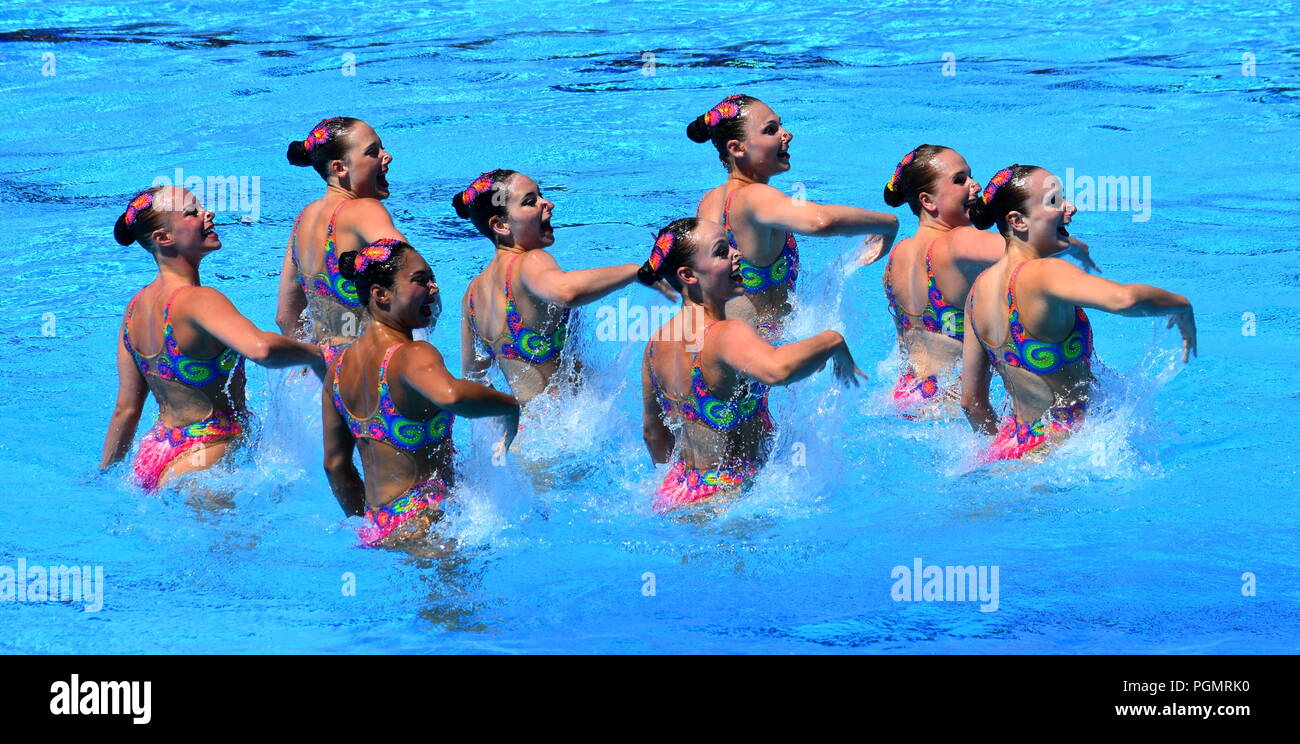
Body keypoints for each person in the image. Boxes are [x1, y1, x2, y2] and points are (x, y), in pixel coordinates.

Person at [960, 165, 1196, 461]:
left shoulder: (977, 290)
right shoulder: (1044, 272)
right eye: (1054, 201)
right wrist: (1181, 306)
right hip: (1064, 452)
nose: (1070, 208)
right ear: (1018, 220)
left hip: (1012, 448)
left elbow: (971, 403)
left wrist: (1013, 456)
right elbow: (1124, 300)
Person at [101, 187, 325, 492]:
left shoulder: (135, 307)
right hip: (207, 454)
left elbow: (126, 409)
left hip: (155, 453)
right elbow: (261, 349)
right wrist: (316, 354)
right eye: (192, 213)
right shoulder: (199, 300)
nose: (209, 214)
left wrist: (103, 475)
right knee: (235, 542)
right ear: (163, 238)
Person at [640, 217, 868, 512]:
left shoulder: (656, 344)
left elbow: (653, 433)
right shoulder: (726, 333)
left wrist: (686, 487)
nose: (737, 254)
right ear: (688, 275)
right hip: (732, 499)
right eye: (722, 252)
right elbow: (778, 369)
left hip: (678, 496)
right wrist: (832, 340)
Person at [322, 238, 520, 548]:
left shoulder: (337, 368)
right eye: (420, 280)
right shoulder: (413, 354)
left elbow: (335, 466)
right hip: (428, 522)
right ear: (380, 294)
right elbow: (453, 395)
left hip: (380, 527)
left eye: (432, 278)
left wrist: (375, 526)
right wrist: (510, 406)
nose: (434, 288)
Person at [879, 145, 1101, 416]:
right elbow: (1032, 250)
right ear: (928, 201)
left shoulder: (898, 255)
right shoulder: (959, 243)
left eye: (970, 176)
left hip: (904, 398)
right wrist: (1057, 223)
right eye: (960, 180)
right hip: (943, 409)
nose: (975, 185)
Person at [689, 94, 899, 338]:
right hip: (755, 361)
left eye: (781, 125)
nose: (786, 135)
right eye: (771, 130)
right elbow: (821, 221)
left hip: (714, 350)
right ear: (736, 148)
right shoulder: (754, 196)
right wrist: (888, 223)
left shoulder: (710, 201)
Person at [456, 169, 672, 405]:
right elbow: (565, 291)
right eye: (530, 202)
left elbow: (473, 376)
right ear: (500, 225)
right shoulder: (530, 261)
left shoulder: (473, 294)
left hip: (528, 432)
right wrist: (636, 272)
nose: (548, 203)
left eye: (541, 195)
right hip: (566, 429)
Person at [276, 117, 405, 361]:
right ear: (339, 168)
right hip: (369, 368)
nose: (386, 156)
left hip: (322, 374)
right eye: (372, 152)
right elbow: (412, 270)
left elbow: (286, 316)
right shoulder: (365, 209)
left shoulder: (303, 219)